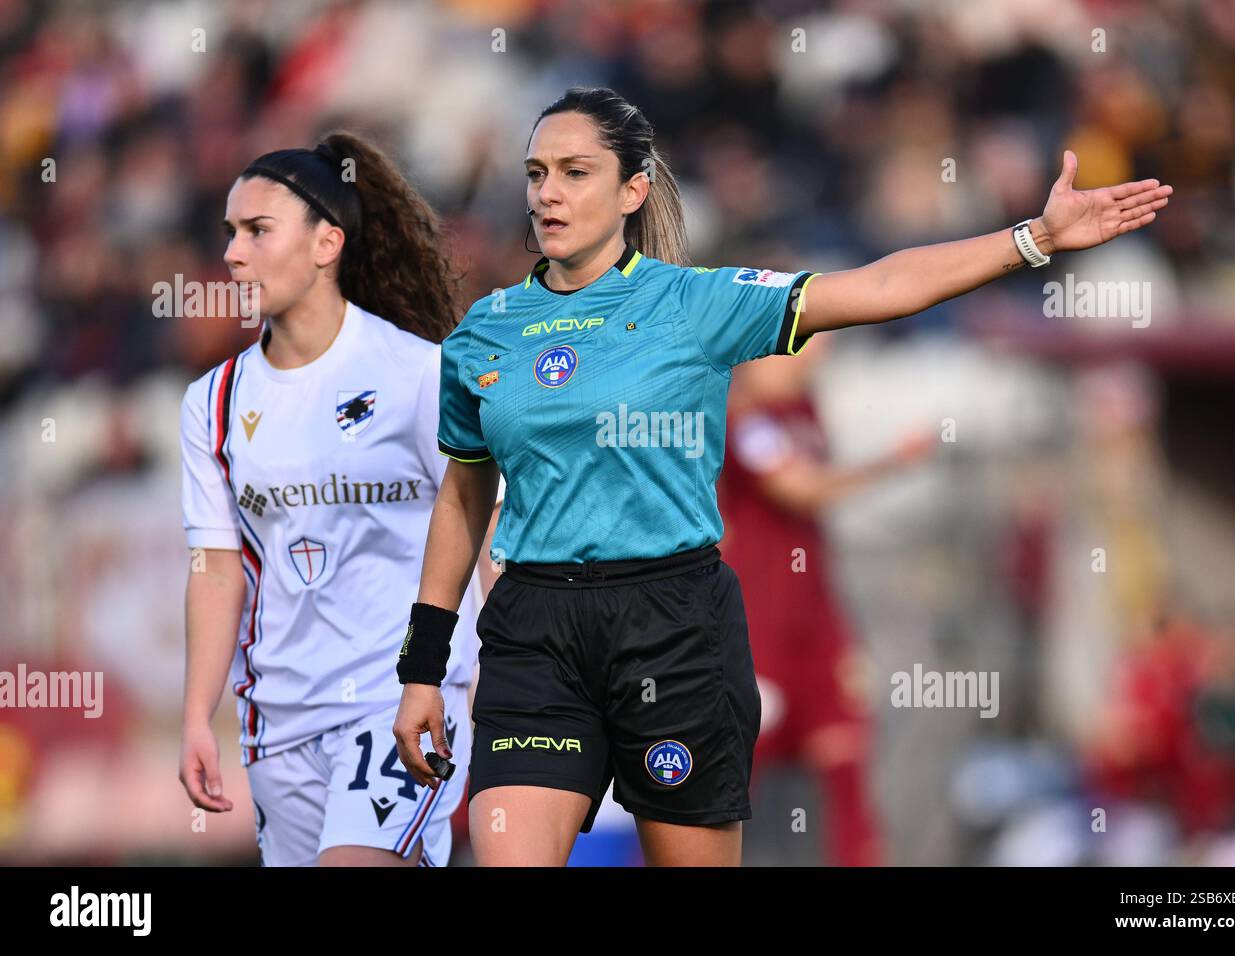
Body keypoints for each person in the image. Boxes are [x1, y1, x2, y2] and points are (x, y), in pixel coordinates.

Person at [392, 86, 1173, 866]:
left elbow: (875, 287)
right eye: (536, 173)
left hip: (671, 627)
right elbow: (462, 497)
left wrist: (1033, 238)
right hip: (536, 635)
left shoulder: (694, 304)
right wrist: (423, 669)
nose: (547, 193)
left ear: (633, 189)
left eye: (574, 171)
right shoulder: (486, 332)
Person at [178, 131, 500, 867]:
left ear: (328, 243)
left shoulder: (421, 374)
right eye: (230, 232)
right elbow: (216, 569)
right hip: (278, 720)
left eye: (258, 230)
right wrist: (198, 716)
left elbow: (484, 523)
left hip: (400, 702)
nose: (233, 252)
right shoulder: (214, 402)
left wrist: (502, 667)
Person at [720, 337, 933, 866]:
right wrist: (893, 463)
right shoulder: (740, 416)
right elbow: (801, 489)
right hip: (756, 624)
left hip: (816, 618)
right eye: (805, 345)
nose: (817, 356)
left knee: (846, 757)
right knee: (730, 773)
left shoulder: (805, 409)